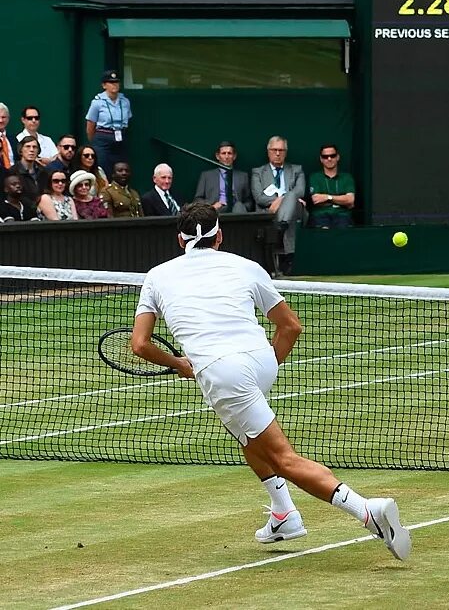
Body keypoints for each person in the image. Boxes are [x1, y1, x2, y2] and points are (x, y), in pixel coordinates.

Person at [132, 204, 411, 558]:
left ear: (179, 240)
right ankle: (284, 514)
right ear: (219, 236)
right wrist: (263, 368)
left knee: (282, 458)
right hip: (261, 359)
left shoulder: (157, 275)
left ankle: (366, 511)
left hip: (222, 370)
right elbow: (290, 327)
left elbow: (140, 345)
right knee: (247, 435)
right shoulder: (248, 267)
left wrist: (180, 365)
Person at [251, 136, 307, 276]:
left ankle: (282, 224)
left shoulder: (296, 170)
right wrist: (283, 200)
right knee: (291, 198)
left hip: (294, 211)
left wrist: (283, 199)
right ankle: (289, 258)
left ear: (286, 152)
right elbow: (259, 197)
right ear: (268, 151)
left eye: (281, 150)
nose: (277, 153)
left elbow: (300, 191)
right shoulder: (258, 172)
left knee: (292, 196)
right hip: (268, 211)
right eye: (274, 150)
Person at [85, 70, 131, 172]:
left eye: (116, 82)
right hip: (103, 137)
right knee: (103, 167)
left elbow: (128, 119)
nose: (114, 85)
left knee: (121, 167)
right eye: (111, 83)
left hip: (120, 137)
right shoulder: (97, 102)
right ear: (104, 85)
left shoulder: (125, 102)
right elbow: (90, 125)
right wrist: (95, 142)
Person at [196, 141, 254, 213]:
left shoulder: (243, 176)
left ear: (234, 156)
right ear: (217, 156)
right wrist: (211, 207)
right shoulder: (206, 176)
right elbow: (198, 199)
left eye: (229, 153)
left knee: (238, 206)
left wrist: (242, 207)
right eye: (223, 153)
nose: (226, 157)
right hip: (215, 210)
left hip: (237, 211)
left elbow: (249, 201)